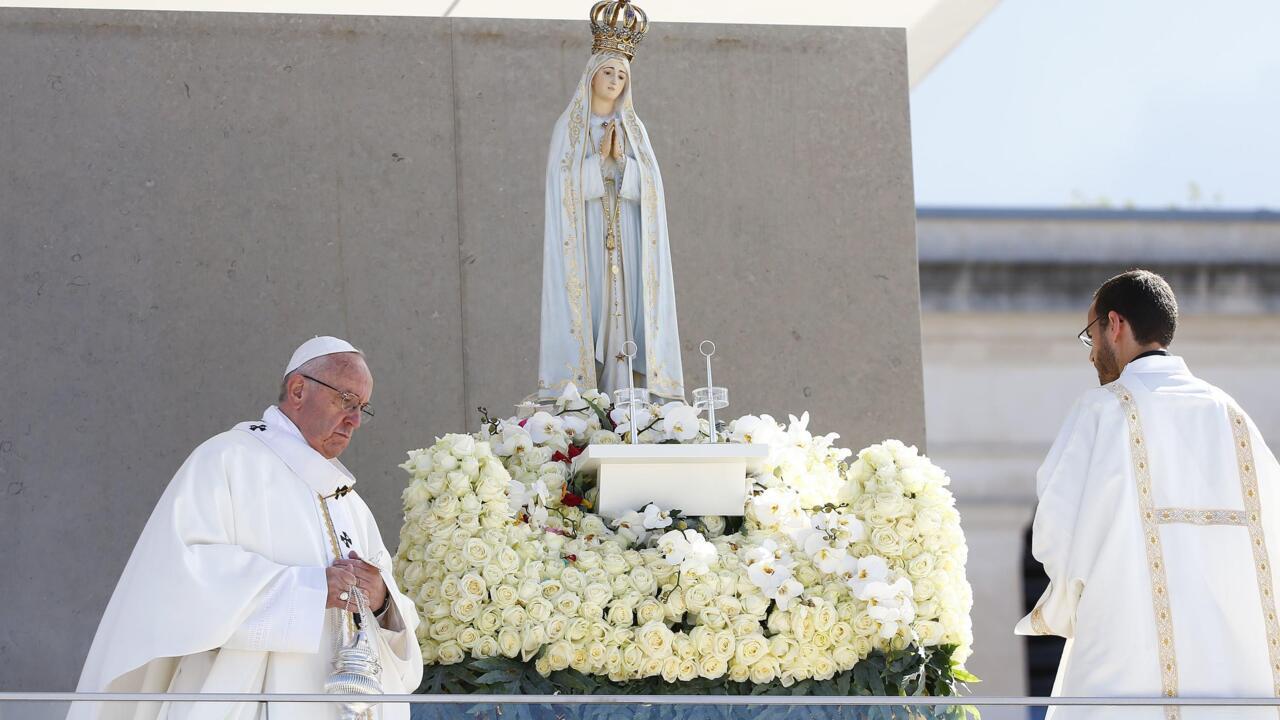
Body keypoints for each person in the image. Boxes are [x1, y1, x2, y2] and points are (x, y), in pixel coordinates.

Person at [70, 336, 423, 719]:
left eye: (363, 408)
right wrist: (310, 590)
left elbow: (395, 613)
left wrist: (382, 599)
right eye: (346, 400)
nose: (354, 419)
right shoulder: (227, 461)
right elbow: (181, 579)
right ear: (299, 389)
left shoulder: (349, 503)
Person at [1017, 270, 1280, 718]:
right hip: (1230, 669)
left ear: (1114, 325)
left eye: (1091, 334)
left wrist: (1069, 601)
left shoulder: (1101, 409)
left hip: (1125, 655)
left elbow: (1055, 532)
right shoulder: (1232, 416)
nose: (1091, 353)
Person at [538, 0, 685, 403]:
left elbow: (651, 189)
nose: (615, 80)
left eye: (622, 74)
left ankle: (627, 392)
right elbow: (561, 186)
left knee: (626, 304)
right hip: (586, 237)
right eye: (608, 71)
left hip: (627, 234)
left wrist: (624, 165)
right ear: (591, 75)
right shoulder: (568, 129)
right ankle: (590, 392)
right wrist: (595, 161)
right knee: (595, 307)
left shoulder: (635, 130)